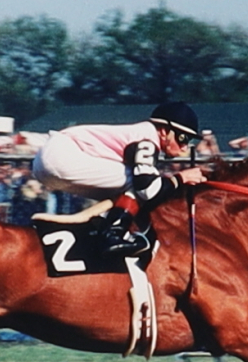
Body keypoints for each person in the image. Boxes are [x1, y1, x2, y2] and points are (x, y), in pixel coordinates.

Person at [31, 101, 205, 256]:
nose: (185, 146)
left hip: (45, 161)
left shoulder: (143, 134)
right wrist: (180, 179)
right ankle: (111, 236)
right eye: (183, 138)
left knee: (128, 187)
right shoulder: (147, 138)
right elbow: (147, 189)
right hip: (60, 155)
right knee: (142, 184)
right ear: (164, 131)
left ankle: (100, 226)